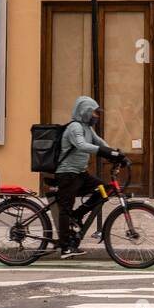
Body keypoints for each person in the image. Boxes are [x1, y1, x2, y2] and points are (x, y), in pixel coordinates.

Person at [55, 95, 125, 259]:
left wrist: (115, 155)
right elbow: (82, 145)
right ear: (85, 112)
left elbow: (99, 142)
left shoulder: (87, 128)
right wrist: (105, 152)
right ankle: (65, 247)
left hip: (80, 173)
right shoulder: (75, 128)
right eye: (94, 113)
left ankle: (77, 215)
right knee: (65, 208)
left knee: (104, 190)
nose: (96, 116)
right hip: (67, 174)